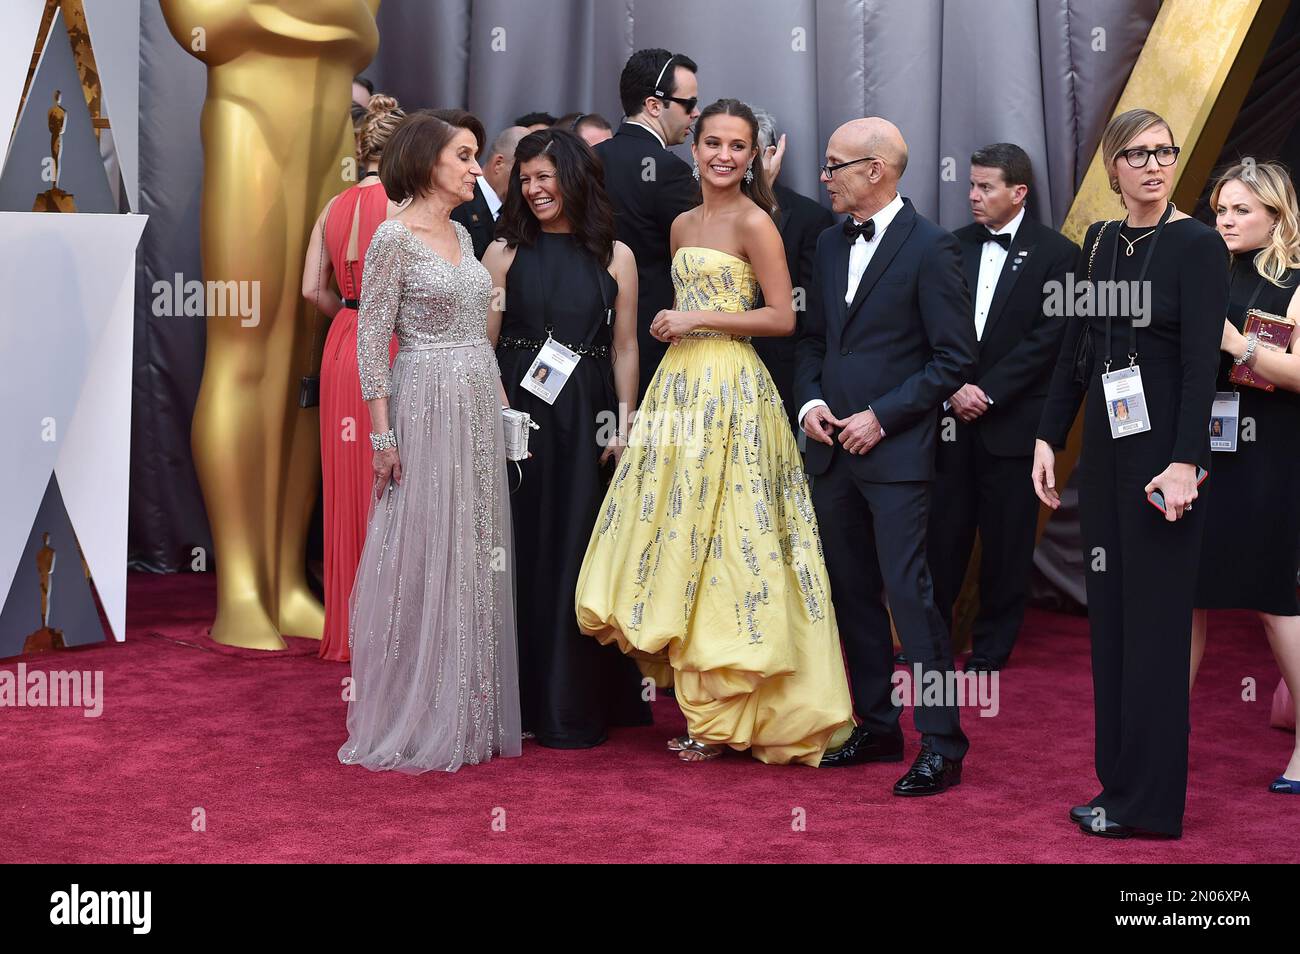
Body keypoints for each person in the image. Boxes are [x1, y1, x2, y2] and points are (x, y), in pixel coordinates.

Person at [575, 99, 854, 765]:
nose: (725, 155)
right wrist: (684, 323)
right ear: (693, 148)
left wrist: (697, 318)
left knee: (736, 536)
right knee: (682, 535)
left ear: (753, 154)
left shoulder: (758, 222)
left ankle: (742, 706)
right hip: (678, 388)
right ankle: (707, 706)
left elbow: (785, 316)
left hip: (732, 391)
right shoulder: (679, 224)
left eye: (738, 145)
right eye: (713, 143)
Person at [1034, 108, 1227, 836]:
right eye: (1137, 154)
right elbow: (1079, 349)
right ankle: (1116, 788)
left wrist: (1187, 461)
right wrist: (1049, 437)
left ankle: (1149, 806)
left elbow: (1202, 361)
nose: (1154, 164)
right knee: (1110, 625)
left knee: (1153, 632)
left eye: (1164, 152)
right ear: (1113, 167)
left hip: (1165, 464)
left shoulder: (1198, 247)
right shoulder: (1101, 243)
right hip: (1111, 452)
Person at [794, 118, 976, 796]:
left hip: (897, 454)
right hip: (831, 451)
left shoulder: (932, 249)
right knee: (851, 594)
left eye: (835, 165)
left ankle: (942, 742)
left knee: (910, 596)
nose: (824, 176)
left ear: (876, 170)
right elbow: (815, 340)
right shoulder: (826, 242)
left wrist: (883, 416)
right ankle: (876, 726)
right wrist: (810, 404)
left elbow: (955, 358)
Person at [339, 111, 522, 773]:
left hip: (474, 394)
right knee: (422, 542)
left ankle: (463, 710)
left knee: (473, 548)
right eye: (466, 156)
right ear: (427, 161)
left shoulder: (462, 235)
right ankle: (413, 714)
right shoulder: (393, 236)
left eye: (477, 156)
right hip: (423, 398)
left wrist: (503, 406)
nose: (478, 168)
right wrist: (382, 435)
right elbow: (370, 338)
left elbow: (477, 330)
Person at [484, 128, 650, 748]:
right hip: (519, 418)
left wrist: (626, 422)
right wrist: (502, 414)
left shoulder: (616, 256)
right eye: (525, 180)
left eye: (545, 177)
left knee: (581, 551)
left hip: (587, 417)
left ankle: (576, 705)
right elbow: (484, 343)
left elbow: (626, 346)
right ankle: (520, 702)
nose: (534, 189)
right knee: (524, 549)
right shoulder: (502, 251)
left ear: (574, 178)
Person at [930, 143, 1079, 673]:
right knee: (941, 536)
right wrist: (954, 388)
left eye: (985, 186)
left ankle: (992, 650)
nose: (973, 195)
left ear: (1019, 193)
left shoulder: (1058, 254)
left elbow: (1050, 338)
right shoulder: (949, 246)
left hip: (1014, 424)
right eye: (970, 184)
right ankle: (932, 645)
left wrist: (986, 391)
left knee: (1008, 543)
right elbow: (930, 325)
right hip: (949, 421)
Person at [1192, 160, 1300, 794]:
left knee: (1271, 600)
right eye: (1221, 210)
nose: (1226, 221)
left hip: (1269, 454)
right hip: (1198, 450)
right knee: (1186, 594)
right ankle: (1160, 741)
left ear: (1276, 215)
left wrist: (1238, 345)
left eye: (1241, 211)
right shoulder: (1203, 269)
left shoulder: (1295, 281)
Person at [302, 93, 405, 662]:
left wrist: (349, 316)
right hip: (389, 342)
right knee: (389, 481)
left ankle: (345, 630)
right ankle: (386, 632)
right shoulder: (406, 210)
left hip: (342, 338)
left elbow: (310, 289)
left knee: (346, 482)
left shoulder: (332, 206)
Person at [595, 49, 701, 400]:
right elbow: (697, 262)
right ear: (655, 105)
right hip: (651, 343)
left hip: (584, 340)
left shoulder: (588, 161)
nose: (696, 114)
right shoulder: (670, 171)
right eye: (689, 104)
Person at [749, 104, 835, 435]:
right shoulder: (695, 212)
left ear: (770, 154)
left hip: (780, 373)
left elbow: (813, 314)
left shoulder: (811, 218)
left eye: (745, 149)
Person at [446, 120, 528, 259]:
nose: (526, 182)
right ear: (498, 164)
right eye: (521, 172)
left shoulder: (518, 211)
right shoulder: (458, 203)